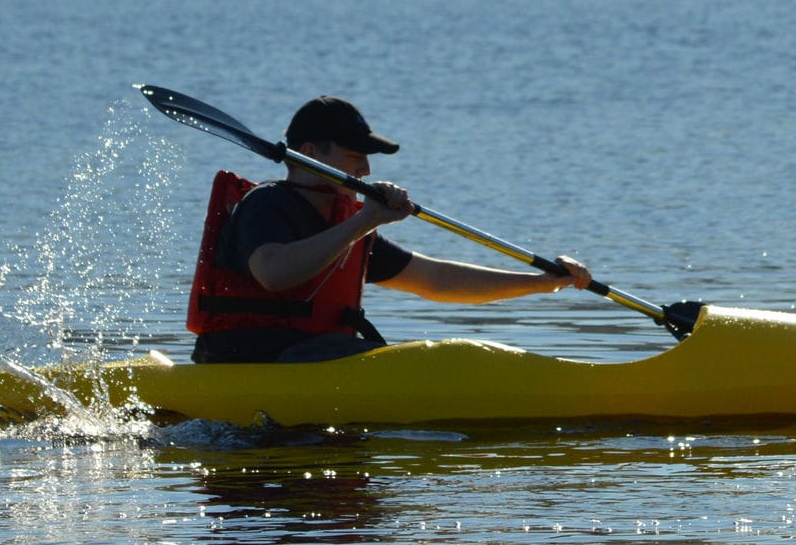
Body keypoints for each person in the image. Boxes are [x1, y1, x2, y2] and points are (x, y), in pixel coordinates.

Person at [187, 96, 592, 364]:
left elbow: (434, 279)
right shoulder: (267, 204)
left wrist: (541, 283)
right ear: (309, 154)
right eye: (353, 157)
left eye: (365, 158)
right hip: (252, 359)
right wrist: (366, 220)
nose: (365, 171)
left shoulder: (344, 222)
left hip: (314, 357)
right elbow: (274, 274)